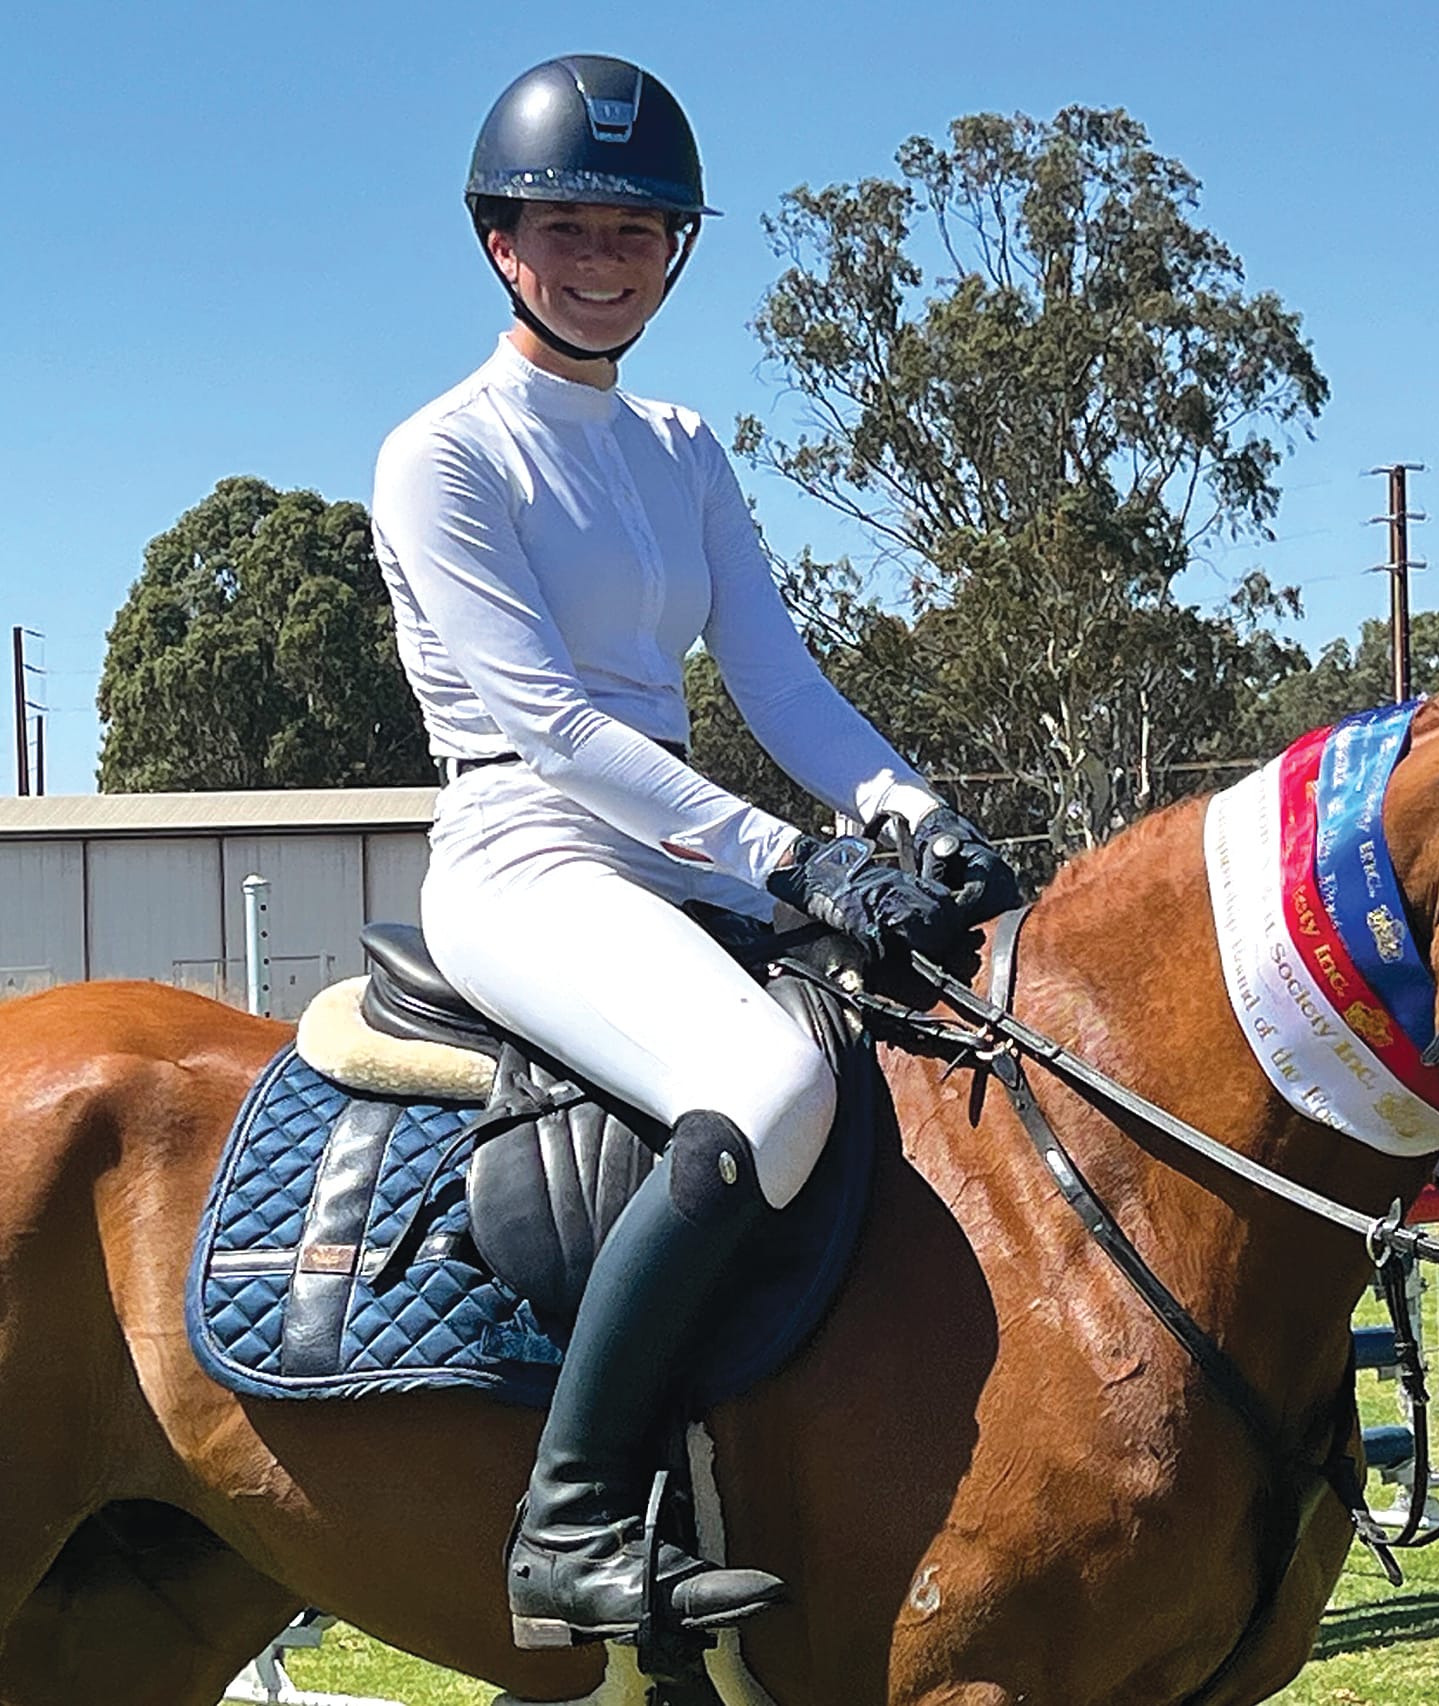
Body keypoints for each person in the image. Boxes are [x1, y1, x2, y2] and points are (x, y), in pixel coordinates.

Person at [368, 55, 1022, 1649]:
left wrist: (915, 819)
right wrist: (795, 864)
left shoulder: (679, 443)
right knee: (769, 1086)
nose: (603, 260)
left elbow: (781, 681)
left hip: (674, 844)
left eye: (638, 231)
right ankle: (572, 1517)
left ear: (675, 252)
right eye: (567, 227)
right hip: (525, 849)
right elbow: (547, 729)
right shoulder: (441, 453)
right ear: (499, 241)